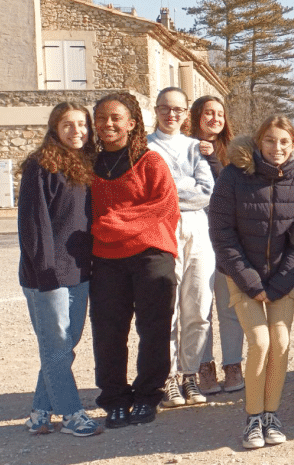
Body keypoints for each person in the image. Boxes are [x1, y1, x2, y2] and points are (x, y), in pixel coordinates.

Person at [208, 116, 294, 448]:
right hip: (242, 277)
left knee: (281, 343)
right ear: (258, 142)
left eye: (284, 141)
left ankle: (272, 415)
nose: (277, 148)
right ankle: (253, 418)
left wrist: (280, 283)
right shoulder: (233, 175)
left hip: (282, 279)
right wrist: (253, 283)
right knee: (259, 342)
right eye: (269, 141)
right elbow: (221, 234)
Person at [86, 93, 181, 429]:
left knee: (153, 329)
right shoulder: (89, 165)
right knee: (108, 332)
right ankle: (114, 398)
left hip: (150, 256)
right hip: (107, 261)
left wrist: (114, 224)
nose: (108, 124)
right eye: (101, 118)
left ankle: (147, 395)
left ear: (132, 122)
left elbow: (165, 209)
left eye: (115, 118)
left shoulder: (150, 161)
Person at [19, 102, 102, 437]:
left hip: (80, 271)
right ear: (55, 128)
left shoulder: (87, 164)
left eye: (82, 124)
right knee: (56, 345)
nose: (76, 131)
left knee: (65, 344)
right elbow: (33, 225)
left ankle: (40, 411)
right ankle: (71, 414)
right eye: (68, 125)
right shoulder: (40, 166)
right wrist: (46, 273)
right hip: (47, 276)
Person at [146, 87, 216, 409]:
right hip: (162, 228)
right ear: (156, 110)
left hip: (198, 228)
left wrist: (172, 187)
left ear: (186, 113)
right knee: (168, 307)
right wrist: (180, 187)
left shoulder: (196, 147)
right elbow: (147, 194)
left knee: (199, 305)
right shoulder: (145, 147)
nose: (171, 114)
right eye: (165, 108)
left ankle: (190, 373)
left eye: (177, 109)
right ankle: (169, 377)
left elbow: (205, 192)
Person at [189, 95, 244, 396]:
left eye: (219, 113)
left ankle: (233, 365)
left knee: (229, 305)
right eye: (208, 113)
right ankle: (205, 366)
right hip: (196, 236)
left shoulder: (234, 152)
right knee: (199, 307)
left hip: (227, 237)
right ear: (197, 116)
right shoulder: (184, 148)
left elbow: (231, 189)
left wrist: (211, 157)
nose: (214, 118)